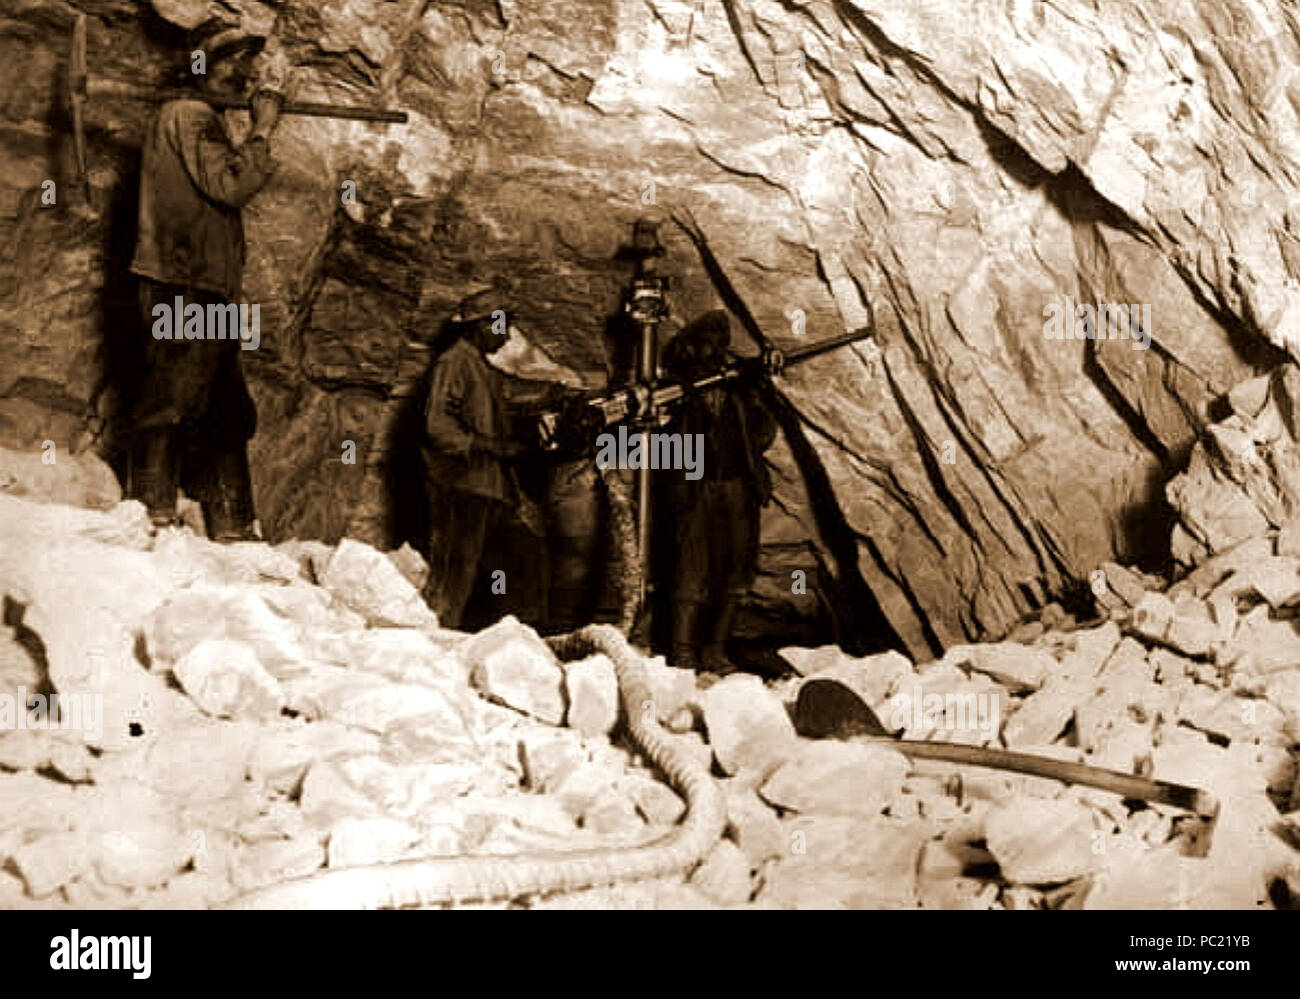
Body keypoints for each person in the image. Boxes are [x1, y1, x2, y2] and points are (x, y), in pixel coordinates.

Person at [126, 22, 288, 539]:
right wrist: (263, 128)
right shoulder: (190, 115)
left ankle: (234, 525)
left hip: (205, 285)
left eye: (246, 64)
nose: (242, 74)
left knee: (224, 406)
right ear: (197, 67)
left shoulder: (196, 117)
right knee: (174, 397)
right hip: (182, 282)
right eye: (228, 63)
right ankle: (151, 513)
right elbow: (233, 185)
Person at [658, 310, 778, 671]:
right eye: (708, 342)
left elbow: (762, 434)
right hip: (695, 485)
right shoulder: (675, 389)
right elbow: (664, 444)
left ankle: (715, 652)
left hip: (737, 485)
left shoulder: (738, 385)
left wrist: (761, 384)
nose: (716, 349)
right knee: (690, 569)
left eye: (721, 342)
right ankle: (682, 653)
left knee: (736, 570)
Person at [421, 290, 534, 629]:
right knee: (454, 572)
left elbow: (510, 393)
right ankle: (434, 639)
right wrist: (491, 446)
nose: (506, 332)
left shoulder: (477, 366)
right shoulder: (454, 362)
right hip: (460, 486)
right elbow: (437, 426)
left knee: (477, 572)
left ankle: (459, 639)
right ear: (478, 325)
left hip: (482, 488)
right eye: (500, 323)